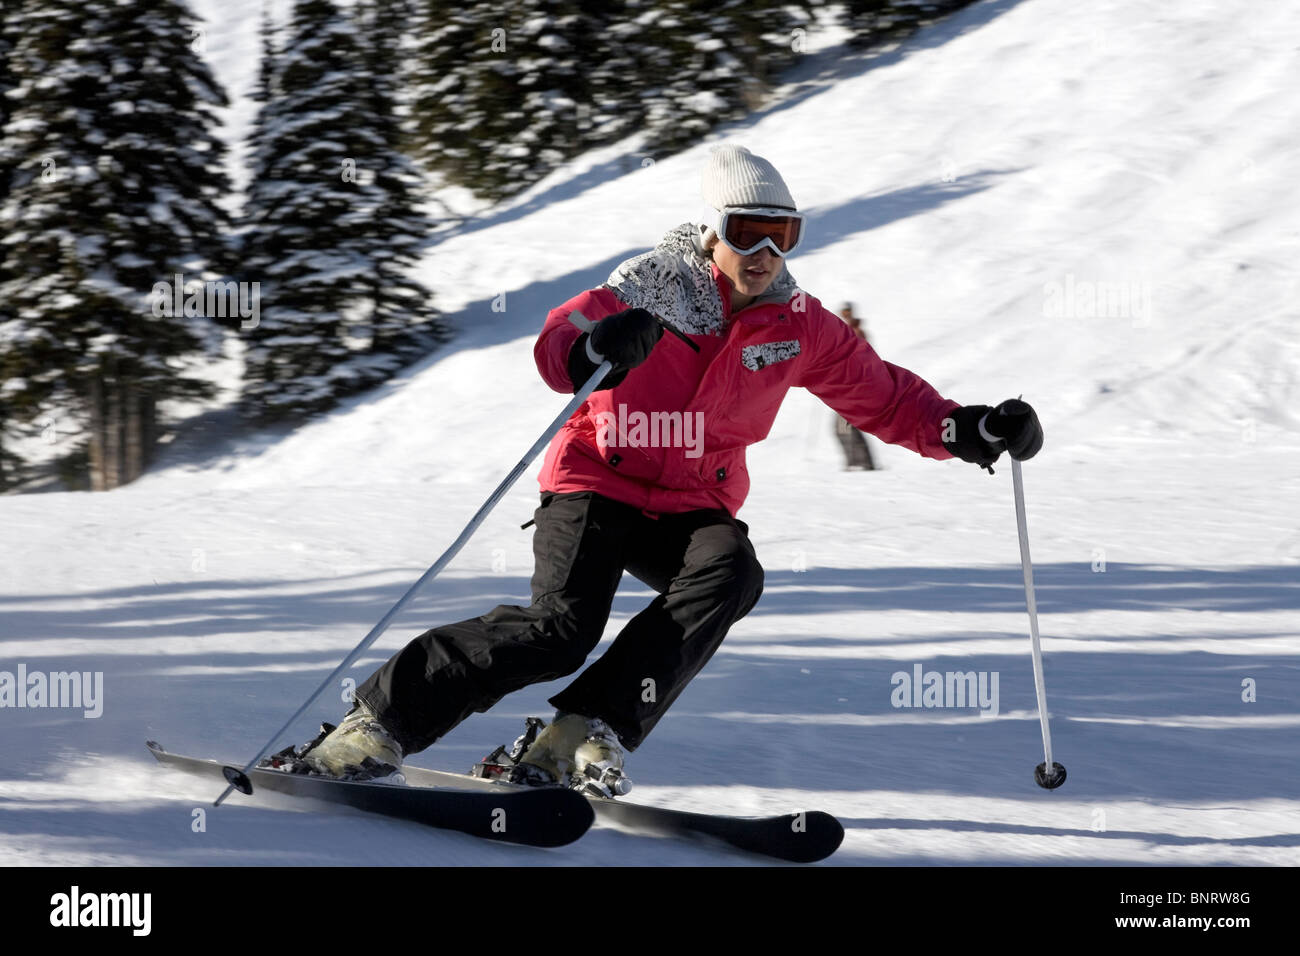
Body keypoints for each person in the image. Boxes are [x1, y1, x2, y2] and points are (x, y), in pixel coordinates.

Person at [301, 144, 1044, 795]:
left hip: (692, 501)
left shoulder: (797, 325)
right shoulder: (651, 289)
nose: (764, 253)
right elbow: (561, 338)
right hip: (597, 478)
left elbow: (881, 395)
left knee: (731, 571)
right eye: (747, 232)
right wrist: (596, 348)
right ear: (712, 231)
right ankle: (374, 726)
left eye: (782, 236)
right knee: (561, 628)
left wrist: (966, 428)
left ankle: (581, 730)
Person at [833, 303, 877, 470]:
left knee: (843, 427)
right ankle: (861, 463)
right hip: (848, 388)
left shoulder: (856, 333)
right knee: (845, 427)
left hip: (853, 388)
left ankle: (858, 463)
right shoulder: (849, 332)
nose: (845, 315)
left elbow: (859, 359)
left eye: (847, 313)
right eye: (843, 313)